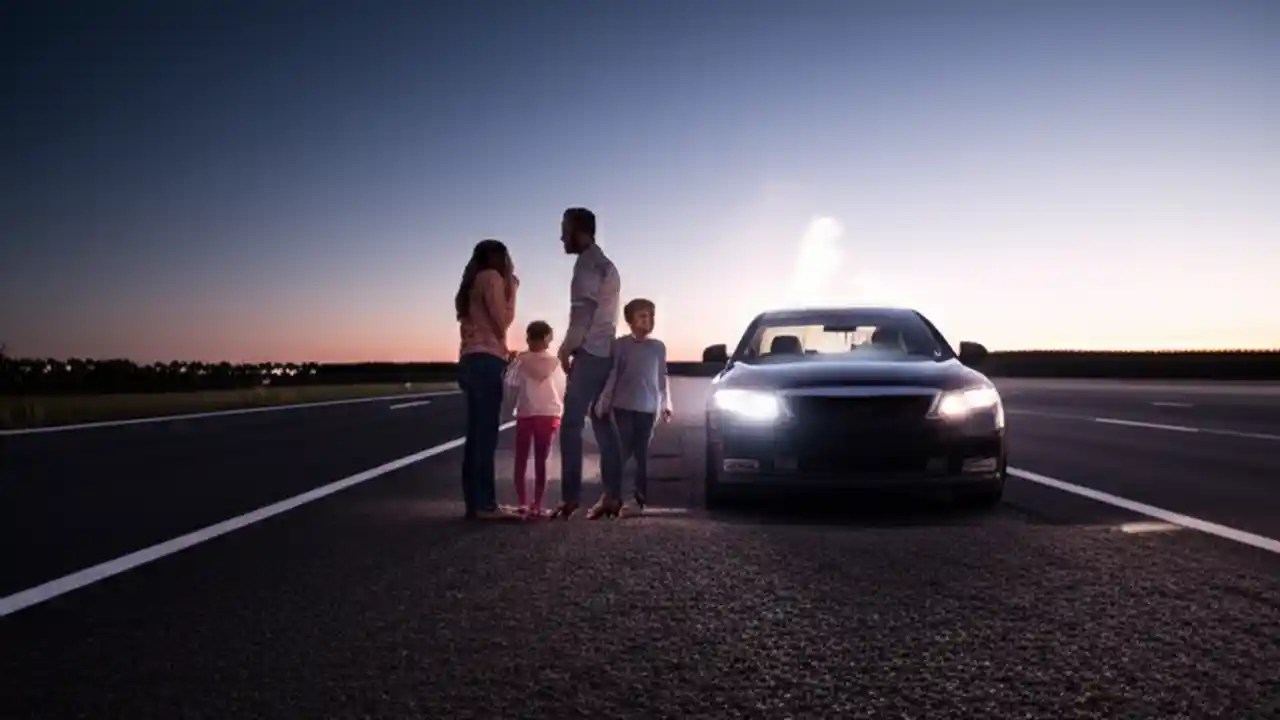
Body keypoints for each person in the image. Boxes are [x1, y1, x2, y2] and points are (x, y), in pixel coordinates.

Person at [548, 207, 624, 520]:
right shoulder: (606, 264)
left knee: (571, 426)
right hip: (605, 350)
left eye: (564, 229)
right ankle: (612, 496)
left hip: (590, 352)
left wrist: (566, 349)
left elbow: (583, 314)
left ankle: (570, 498)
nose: (561, 237)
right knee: (604, 424)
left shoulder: (586, 265)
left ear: (579, 231)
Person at [456, 239, 521, 521]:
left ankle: (476, 502)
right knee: (485, 435)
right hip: (486, 359)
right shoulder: (492, 278)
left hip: (470, 359)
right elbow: (502, 321)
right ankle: (485, 505)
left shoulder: (473, 282)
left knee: (476, 437)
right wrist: (513, 289)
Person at [593, 298, 673, 517]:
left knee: (641, 454)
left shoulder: (658, 347)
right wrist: (604, 400)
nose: (648, 320)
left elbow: (662, 377)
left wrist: (667, 403)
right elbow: (613, 374)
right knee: (622, 451)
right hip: (623, 405)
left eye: (651, 316)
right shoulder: (620, 345)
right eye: (643, 316)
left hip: (648, 408)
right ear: (630, 321)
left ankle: (638, 499)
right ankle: (613, 496)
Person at [503, 320, 566, 518]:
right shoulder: (555, 363)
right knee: (541, 460)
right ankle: (537, 504)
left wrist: (510, 405)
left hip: (526, 413)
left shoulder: (520, 361)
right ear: (548, 338)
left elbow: (510, 385)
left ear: (528, 338)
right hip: (548, 414)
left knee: (520, 459)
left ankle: (522, 502)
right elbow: (562, 388)